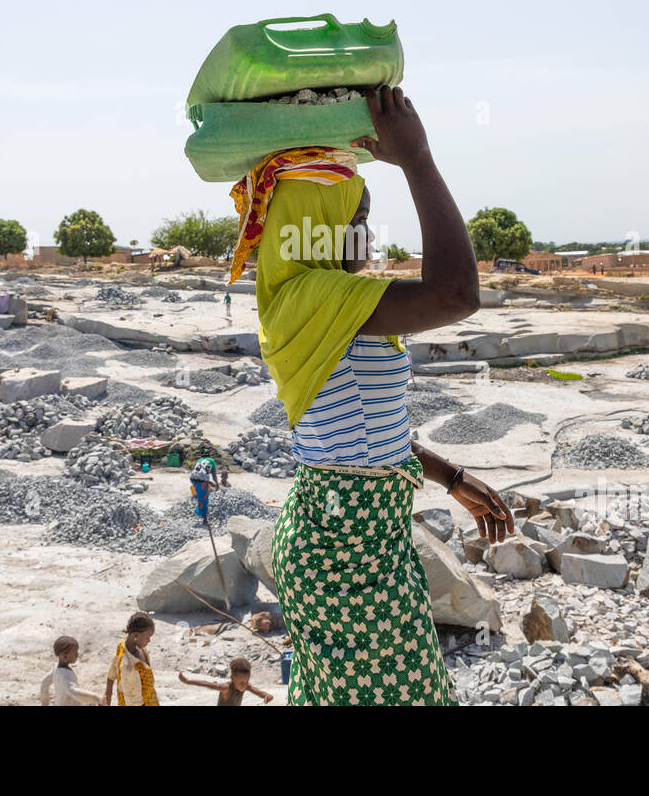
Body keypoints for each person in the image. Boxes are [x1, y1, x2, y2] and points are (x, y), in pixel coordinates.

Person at [227, 86, 514, 706]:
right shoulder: (308, 297)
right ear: (315, 230)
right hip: (338, 547)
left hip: (371, 531)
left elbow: (367, 425)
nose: (365, 234)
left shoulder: (341, 302)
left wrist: (452, 475)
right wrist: (417, 159)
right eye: (354, 221)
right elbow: (456, 294)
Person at [103, 613, 159, 706]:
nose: (149, 640)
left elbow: (112, 673)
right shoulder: (130, 667)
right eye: (148, 637)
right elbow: (133, 702)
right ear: (136, 636)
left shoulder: (124, 645)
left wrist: (108, 693)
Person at [178, 657, 274, 705]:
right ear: (232, 678)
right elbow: (206, 683)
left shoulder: (246, 686)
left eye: (247, 681)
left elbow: (260, 693)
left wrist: (267, 696)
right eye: (242, 683)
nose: (245, 685)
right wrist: (188, 681)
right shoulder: (226, 688)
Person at [39, 635, 101, 706]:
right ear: (65, 656)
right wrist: (96, 698)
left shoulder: (56, 669)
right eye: (75, 652)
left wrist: (44, 703)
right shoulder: (65, 675)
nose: (77, 654)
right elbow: (73, 691)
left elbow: (44, 683)